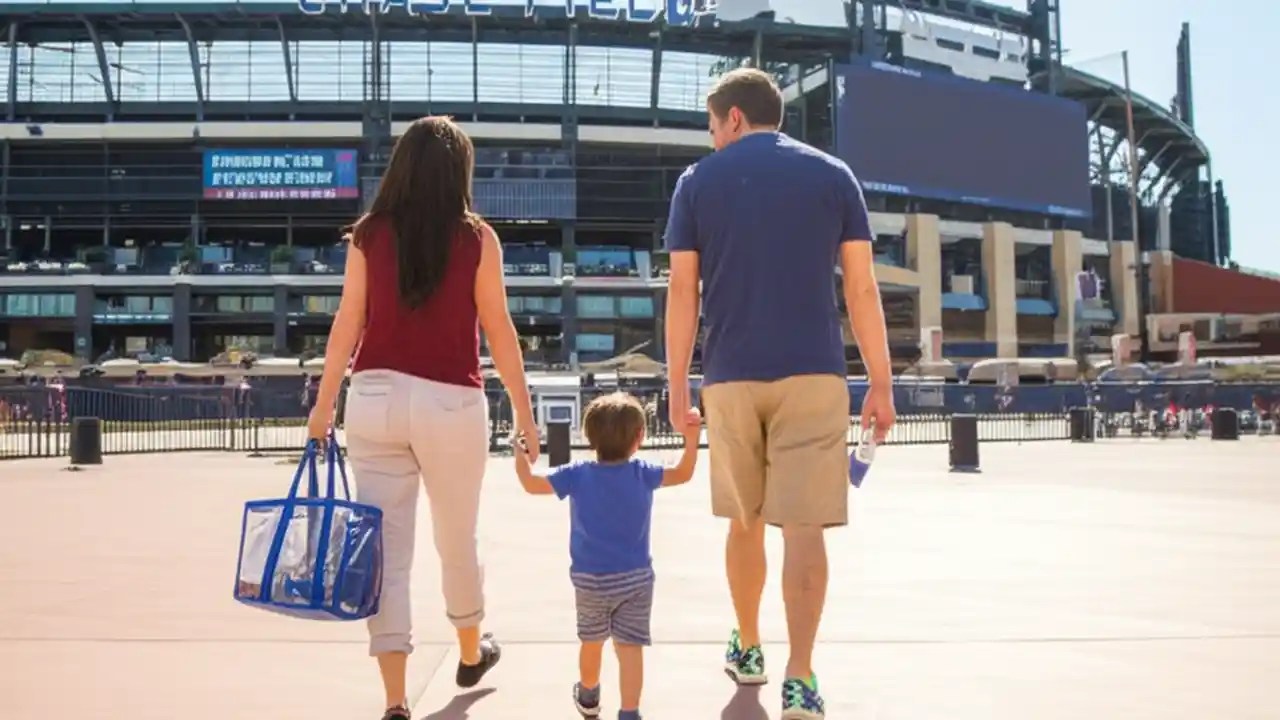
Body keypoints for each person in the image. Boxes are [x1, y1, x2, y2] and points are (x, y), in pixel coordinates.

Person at [662, 68, 897, 720]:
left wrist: (678, 382)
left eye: (712, 126)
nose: (711, 140)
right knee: (803, 527)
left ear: (734, 118)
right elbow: (861, 288)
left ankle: (748, 646)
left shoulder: (696, 184)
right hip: (815, 374)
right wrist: (880, 380)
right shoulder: (833, 175)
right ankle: (801, 676)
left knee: (744, 519)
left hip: (732, 376)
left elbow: (684, 292)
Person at [306, 116, 540, 720]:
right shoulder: (478, 238)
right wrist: (524, 410)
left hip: (375, 399)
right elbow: (499, 329)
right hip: (449, 403)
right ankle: (469, 649)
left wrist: (322, 405)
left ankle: (393, 698)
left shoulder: (368, 234)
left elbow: (346, 324)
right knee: (456, 537)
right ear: (459, 171)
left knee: (385, 549)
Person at [513, 392, 701, 720]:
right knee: (630, 649)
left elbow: (531, 483)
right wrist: (692, 439)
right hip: (636, 578)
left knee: (591, 641)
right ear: (639, 437)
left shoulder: (577, 473)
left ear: (589, 436)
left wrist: (521, 455)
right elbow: (684, 472)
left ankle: (588, 695)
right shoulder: (643, 473)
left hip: (589, 579)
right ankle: (630, 711)